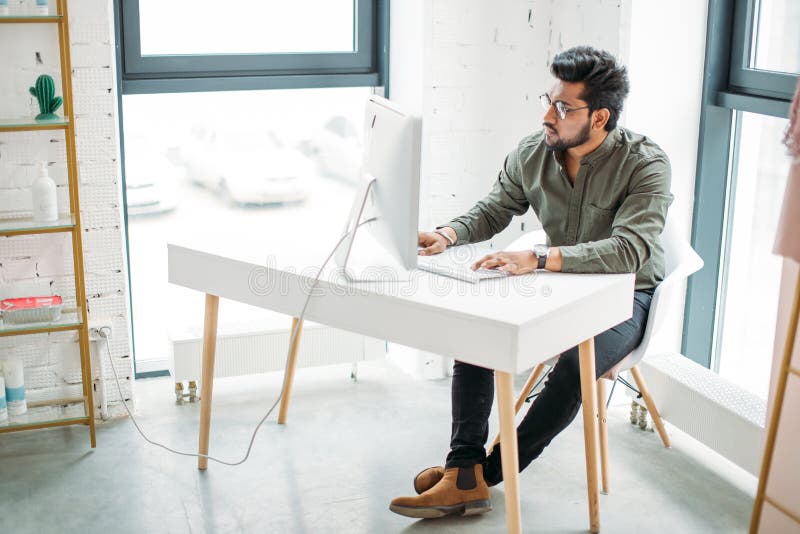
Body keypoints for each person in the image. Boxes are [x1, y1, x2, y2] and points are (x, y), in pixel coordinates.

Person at [389, 45, 673, 519]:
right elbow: (495, 208)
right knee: (477, 327)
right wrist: (447, 233)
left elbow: (630, 250)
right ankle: (463, 470)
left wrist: (538, 258)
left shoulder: (646, 163)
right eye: (548, 100)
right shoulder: (532, 151)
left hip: (627, 294)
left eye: (563, 107)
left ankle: (481, 475)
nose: (548, 115)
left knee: (572, 370)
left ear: (599, 117)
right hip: (558, 285)